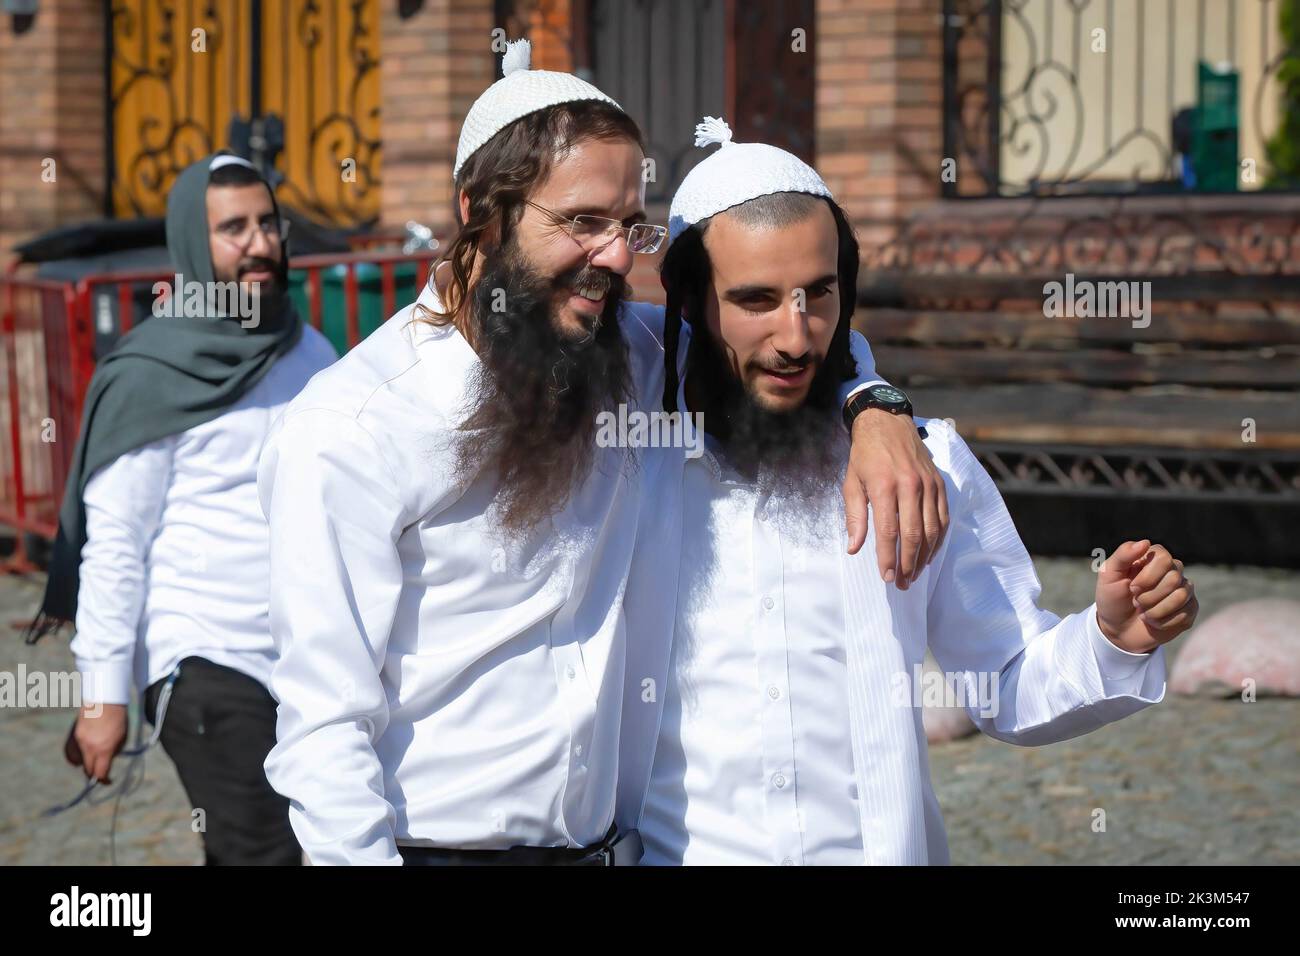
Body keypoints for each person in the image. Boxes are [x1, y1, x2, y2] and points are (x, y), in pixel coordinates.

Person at [257, 40, 942, 865]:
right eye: (582, 222)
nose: (617, 257)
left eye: (629, 226)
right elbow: (323, 728)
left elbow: (776, 342)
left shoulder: (626, 354)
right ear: (479, 209)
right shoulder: (351, 427)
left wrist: (874, 402)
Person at [615, 120, 1198, 865]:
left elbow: (1008, 680)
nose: (796, 337)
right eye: (757, 300)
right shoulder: (623, 463)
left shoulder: (927, 466)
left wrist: (1111, 639)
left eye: (818, 295)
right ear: (691, 304)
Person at [28, 152, 338, 865]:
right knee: (261, 851)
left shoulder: (308, 351)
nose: (259, 243)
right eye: (234, 228)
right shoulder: (149, 375)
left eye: (268, 223)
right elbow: (114, 546)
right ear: (194, 245)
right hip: (204, 657)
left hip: (305, 662)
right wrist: (103, 696)